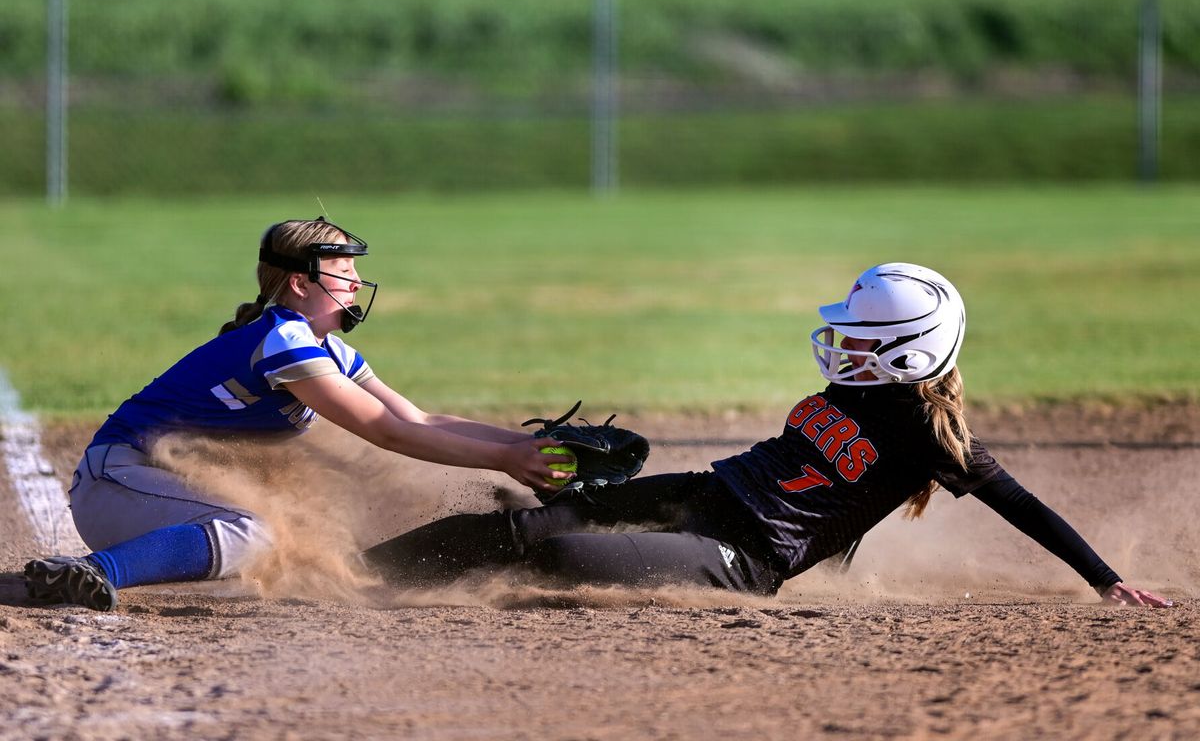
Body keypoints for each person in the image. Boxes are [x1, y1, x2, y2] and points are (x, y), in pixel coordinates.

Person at [364, 262, 1172, 608]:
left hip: (742, 559)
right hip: (711, 493)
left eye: (862, 338)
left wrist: (1105, 579)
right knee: (529, 523)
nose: (844, 347)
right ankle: (354, 575)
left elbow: (1024, 508)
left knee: (559, 556)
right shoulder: (852, 382)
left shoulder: (935, 438)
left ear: (912, 352)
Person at [24, 216, 571, 611]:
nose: (356, 281)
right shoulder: (283, 341)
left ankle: (89, 572)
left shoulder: (328, 349)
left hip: (158, 491)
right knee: (256, 533)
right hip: (118, 484)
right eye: (342, 269)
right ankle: (93, 572)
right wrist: (504, 459)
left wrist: (530, 446)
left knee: (277, 545)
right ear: (301, 282)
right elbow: (386, 431)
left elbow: (420, 420)